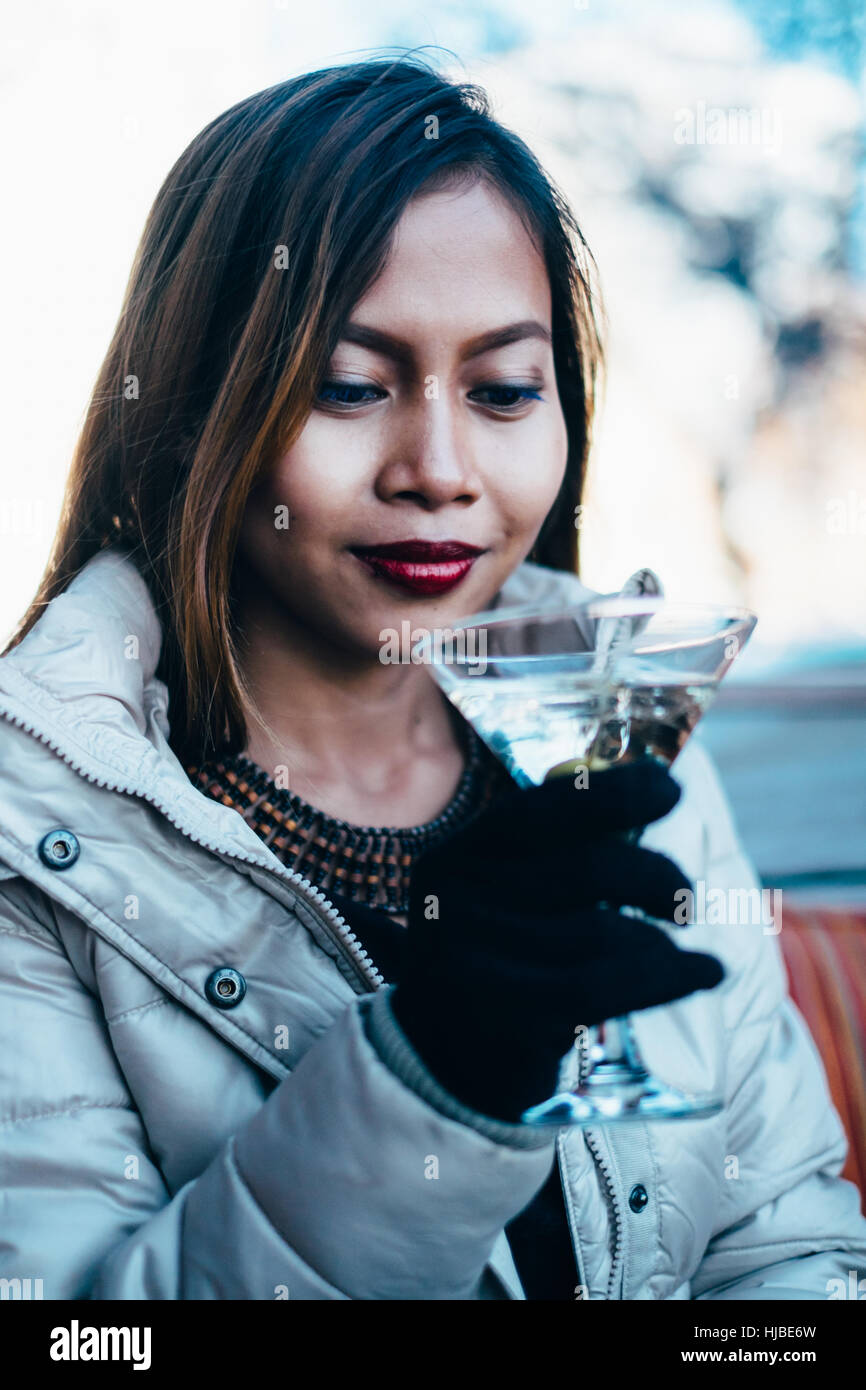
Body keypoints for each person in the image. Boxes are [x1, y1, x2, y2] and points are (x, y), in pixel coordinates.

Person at [0, 53, 863, 1302]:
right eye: (350, 387)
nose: (441, 467)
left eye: (506, 389)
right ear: (192, 408)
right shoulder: (31, 835)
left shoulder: (611, 730)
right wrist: (430, 1077)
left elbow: (785, 1244)